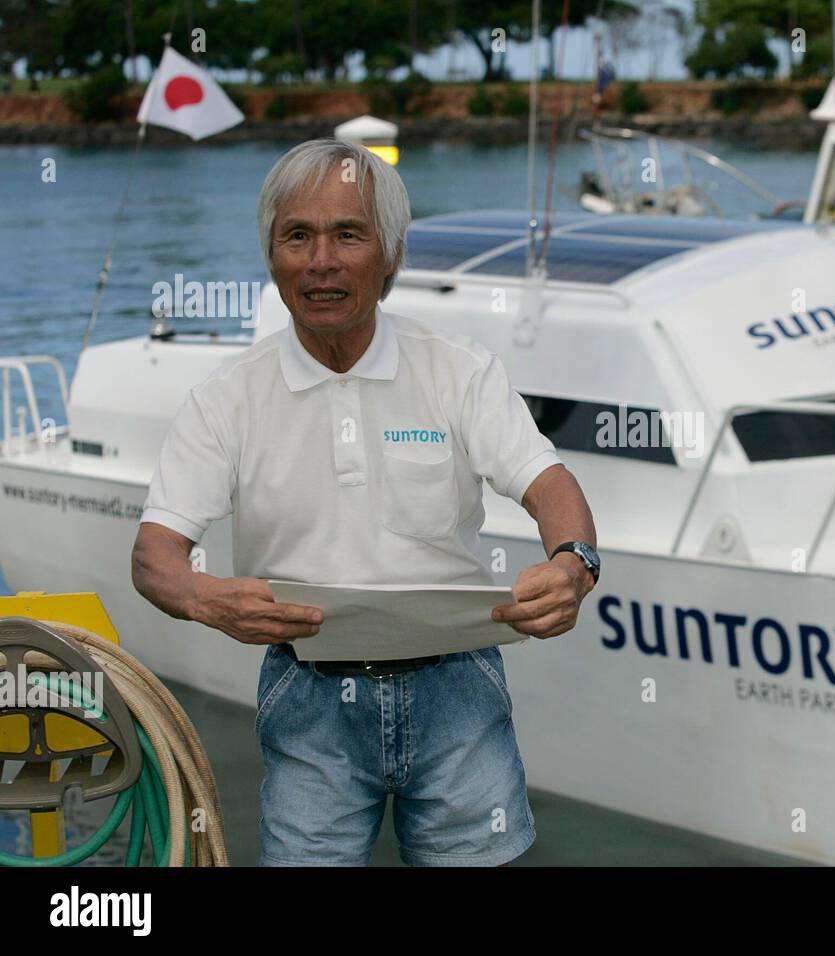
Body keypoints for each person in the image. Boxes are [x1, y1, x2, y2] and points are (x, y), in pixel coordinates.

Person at [130, 139, 600, 866]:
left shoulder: (461, 371)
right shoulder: (225, 398)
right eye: (297, 236)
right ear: (271, 257)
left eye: (348, 234)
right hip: (306, 692)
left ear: (391, 258)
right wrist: (202, 597)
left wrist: (573, 563)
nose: (321, 260)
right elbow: (154, 554)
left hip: (461, 687)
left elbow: (550, 485)